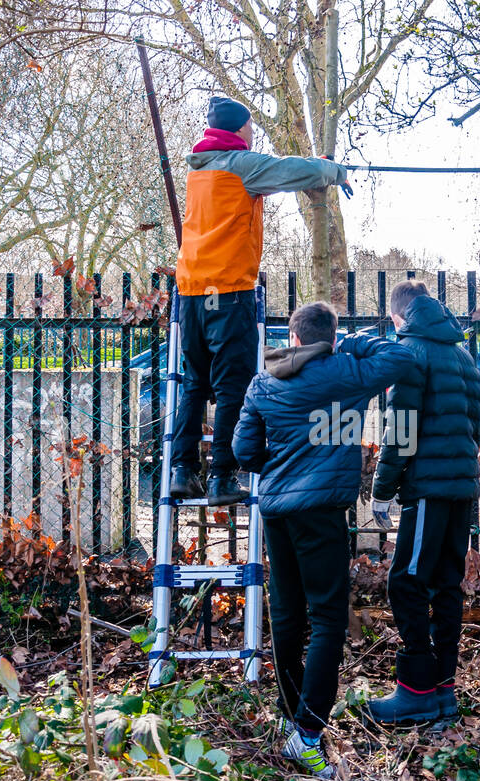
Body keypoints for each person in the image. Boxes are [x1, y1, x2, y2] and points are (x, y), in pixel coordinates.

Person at [233, 301, 415, 778]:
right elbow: (401, 359)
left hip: (276, 512)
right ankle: (309, 734)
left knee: (288, 614)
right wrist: (354, 342)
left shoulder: (263, 380)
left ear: (293, 338)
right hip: (323, 513)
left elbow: (243, 450)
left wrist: (278, 465)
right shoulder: (345, 371)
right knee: (329, 618)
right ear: (328, 339)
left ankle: (292, 719)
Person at [171, 96, 352, 506]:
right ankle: (221, 476)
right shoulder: (240, 165)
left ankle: (182, 470)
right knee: (233, 385)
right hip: (227, 290)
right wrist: (332, 170)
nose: (253, 134)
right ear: (239, 130)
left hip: (192, 292)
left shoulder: (198, 168)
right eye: (250, 127)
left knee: (195, 384)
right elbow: (291, 170)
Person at [365, 280, 480, 725]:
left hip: (428, 489)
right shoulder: (462, 352)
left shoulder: (411, 352)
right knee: (446, 584)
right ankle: (443, 689)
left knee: (406, 583)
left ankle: (415, 690)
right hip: (460, 489)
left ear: (397, 317)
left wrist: (383, 488)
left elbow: (401, 429)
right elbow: (471, 427)